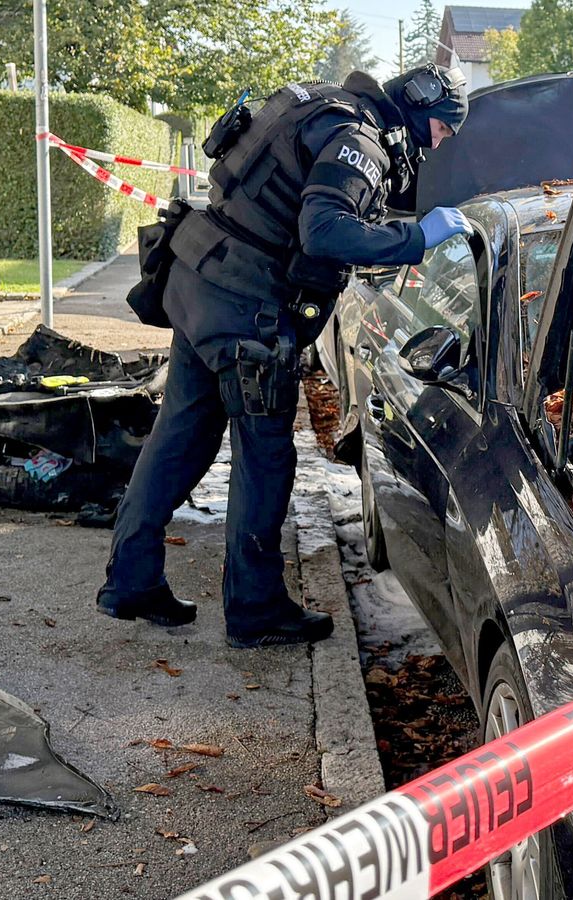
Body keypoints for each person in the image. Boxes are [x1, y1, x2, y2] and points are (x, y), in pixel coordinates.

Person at [96, 65, 472, 648]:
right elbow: (324, 232)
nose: (440, 143)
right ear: (420, 111)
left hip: (198, 280)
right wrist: (418, 238)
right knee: (265, 459)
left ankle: (129, 580)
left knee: (178, 436)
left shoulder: (316, 102)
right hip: (249, 312)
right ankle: (256, 611)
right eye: (444, 130)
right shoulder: (361, 140)